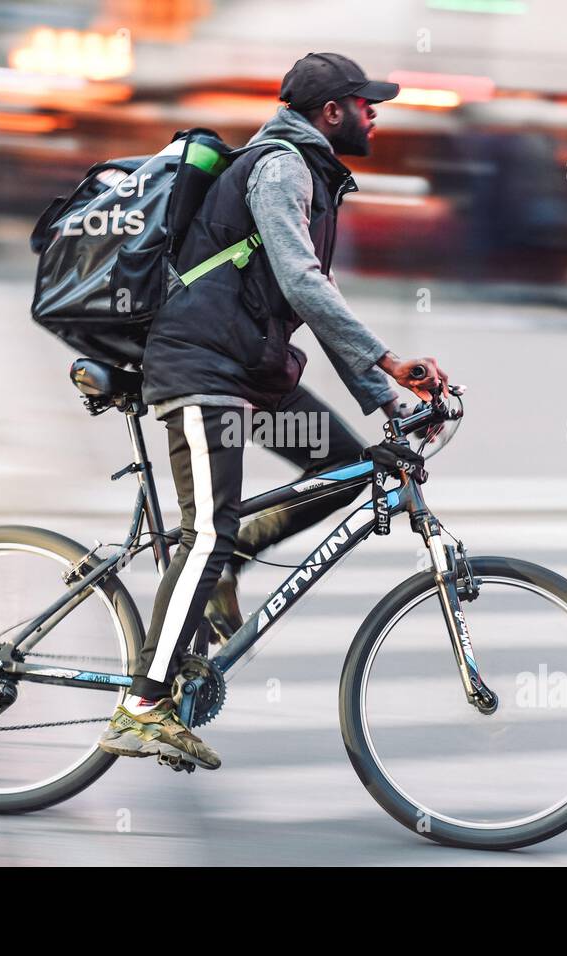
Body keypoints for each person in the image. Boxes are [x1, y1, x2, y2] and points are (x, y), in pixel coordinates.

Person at [98, 52, 449, 769]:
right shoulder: (283, 167)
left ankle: (230, 564)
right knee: (206, 531)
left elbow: (303, 302)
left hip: (252, 374)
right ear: (331, 113)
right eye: (365, 104)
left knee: (353, 471)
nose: (374, 114)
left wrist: (387, 401)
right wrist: (389, 363)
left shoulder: (313, 175)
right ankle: (141, 708)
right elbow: (302, 279)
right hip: (202, 369)